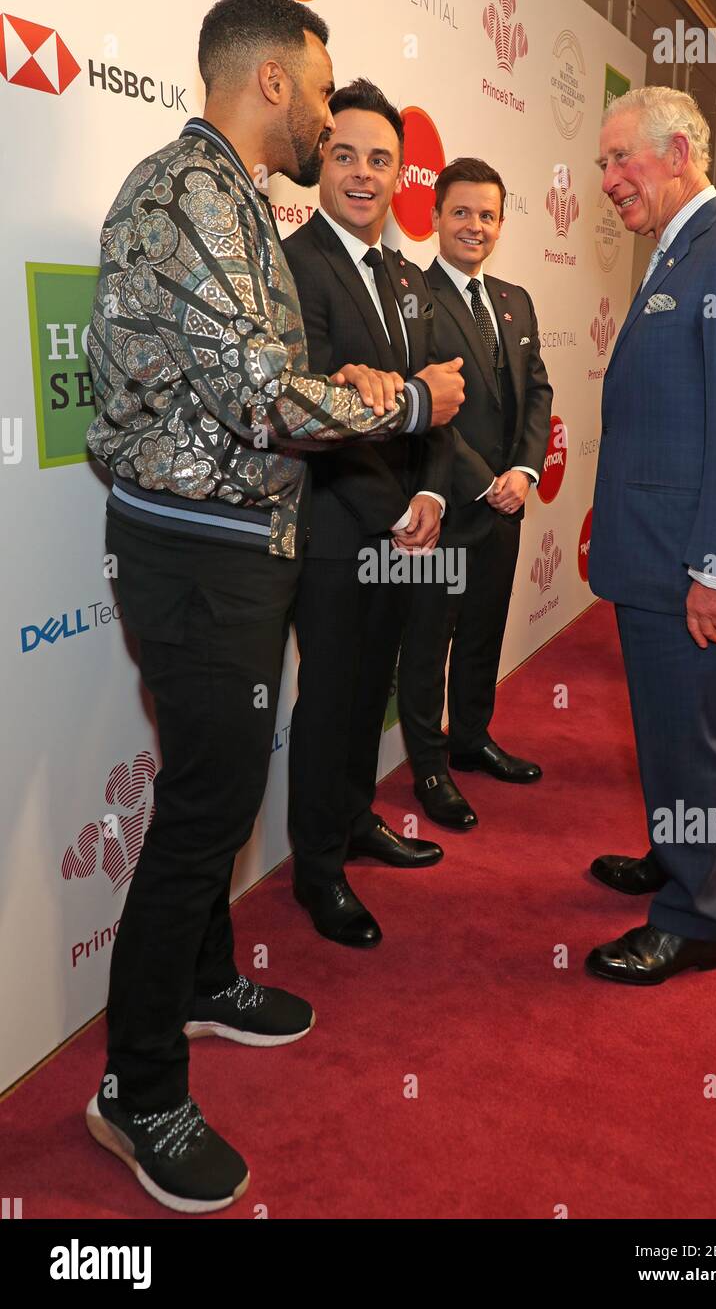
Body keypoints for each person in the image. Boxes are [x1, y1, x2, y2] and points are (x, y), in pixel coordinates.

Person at [83, 0, 463, 1213]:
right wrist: (403, 401)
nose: (330, 108)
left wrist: (330, 382)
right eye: (322, 81)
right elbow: (255, 402)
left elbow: (252, 378)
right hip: (199, 555)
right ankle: (136, 1091)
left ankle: (203, 984)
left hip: (233, 543)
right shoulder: (192, 195)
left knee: (220, 791)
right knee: (206, 808)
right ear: (274, 84)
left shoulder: (232, 198)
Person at [586, 87, 716, 985]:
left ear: (677, 154)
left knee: (688, 738)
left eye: (618, 159)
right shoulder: (680, 252)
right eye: (600, 165)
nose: (605, 182)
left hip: (689, 566)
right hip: (656, 557)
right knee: (668, 735)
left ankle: (695, 918)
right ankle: (677, 860)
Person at [284, 79, 458, 948]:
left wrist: (427, 495)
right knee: (327, 701)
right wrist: (394, 512)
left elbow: (435, 402)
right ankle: (315, 869)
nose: (361, 174)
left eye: (379, 160)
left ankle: (354, 819)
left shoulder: (401, 273)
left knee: (366, 693)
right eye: (345, 154)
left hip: (401, 524)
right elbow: (309, 411)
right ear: (321, 160)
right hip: (335, 531)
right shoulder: (296, 264)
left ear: (401, 176)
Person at [398, 158, 553, 831]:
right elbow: (424, 406)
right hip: (444, 503)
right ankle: (427, 766)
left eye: (486, 215)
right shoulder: (411, 298)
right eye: (460, 212)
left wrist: (523, 472)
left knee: (484, 632)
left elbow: (537, 393)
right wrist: (482, 481)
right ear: (434, 217)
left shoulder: (516, 300)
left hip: (506, 505)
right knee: (428, 642)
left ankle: (470, 738)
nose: (474, 226)